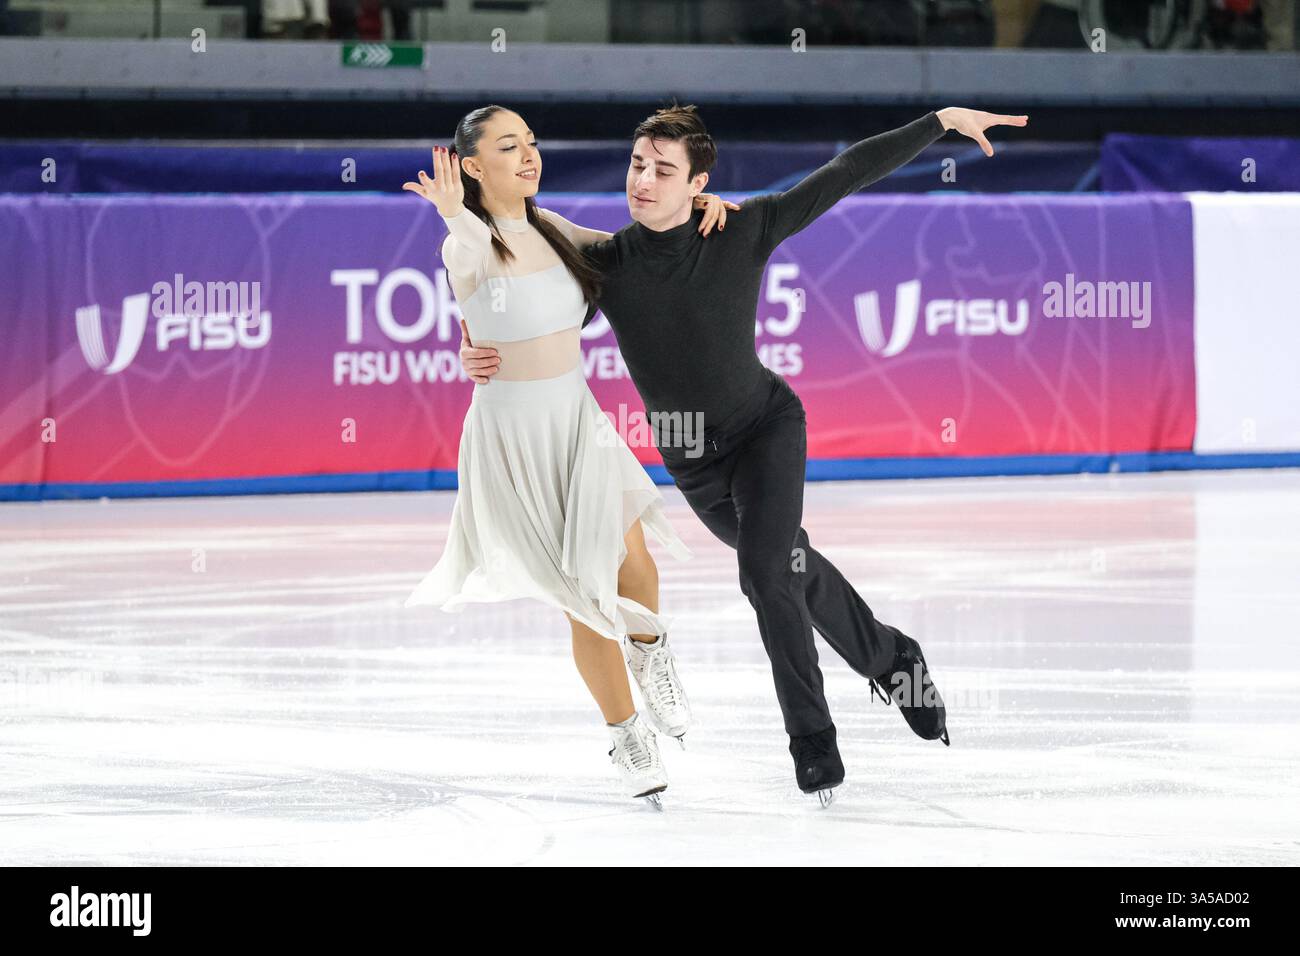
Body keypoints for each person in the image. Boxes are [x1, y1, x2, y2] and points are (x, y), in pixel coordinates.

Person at [462, 103, 1027, 804]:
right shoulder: (606, 265)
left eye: (664, 170)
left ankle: (813, 742)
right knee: (792, 566)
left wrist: (938, 121)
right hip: (693, 463)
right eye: (638, 164)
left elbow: (844, 173)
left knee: (766, 573)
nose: (643, 180)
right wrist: (477, 343)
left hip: (766, 430)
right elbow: (525, 277)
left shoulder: (744, 228)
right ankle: (893, 657)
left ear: (697, 184)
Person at [401, 106, 737, 807]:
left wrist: (695, 200)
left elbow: (637, 245)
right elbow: (467, 255)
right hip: (515, 437)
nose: (527, 155)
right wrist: (453, 212)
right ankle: (626, 734)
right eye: (506, 146)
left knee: (634, 558)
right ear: (471, 165)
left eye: (530, 142)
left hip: (578, 421)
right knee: (585, 598)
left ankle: (651, 654)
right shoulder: (465, 242)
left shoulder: (555, 231)